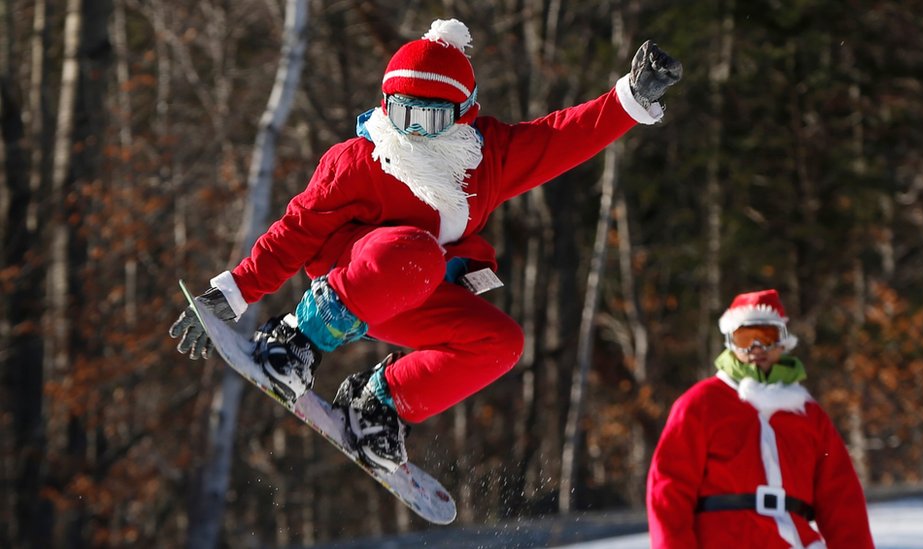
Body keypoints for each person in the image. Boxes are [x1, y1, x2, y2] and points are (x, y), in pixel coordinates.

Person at [170, 18, 682, 474]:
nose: (411, 131)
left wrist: (630, 98)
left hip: (413, 289)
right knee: (415, 252)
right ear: (385, 104)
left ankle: (380, 404)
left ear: (464, 113)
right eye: (401, 112)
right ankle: (298, 341)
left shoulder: (488, 159)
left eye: (430, 119)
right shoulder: (361, 159)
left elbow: (560, 138)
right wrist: (233, 292)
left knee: (500, 343)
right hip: (350, 281)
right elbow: (295, 230)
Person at [646, 289, 874, 548]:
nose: (756, 348)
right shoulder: (701, 404)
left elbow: (841, 499)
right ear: (730, 343)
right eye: (745, 338)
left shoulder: (808, 415)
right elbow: (669, 489)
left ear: (782, 341)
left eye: (767, 336)